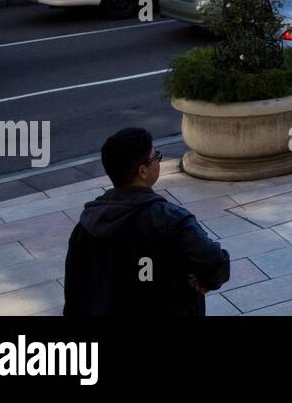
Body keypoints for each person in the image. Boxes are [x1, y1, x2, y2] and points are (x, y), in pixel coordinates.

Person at [64, 128, 229, 315]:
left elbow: (74, 293)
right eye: (155, 157)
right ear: (143, 171)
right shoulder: (171, 220)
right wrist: (204, 279)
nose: (158, 160)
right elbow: (215, 262)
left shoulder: (86, 226)